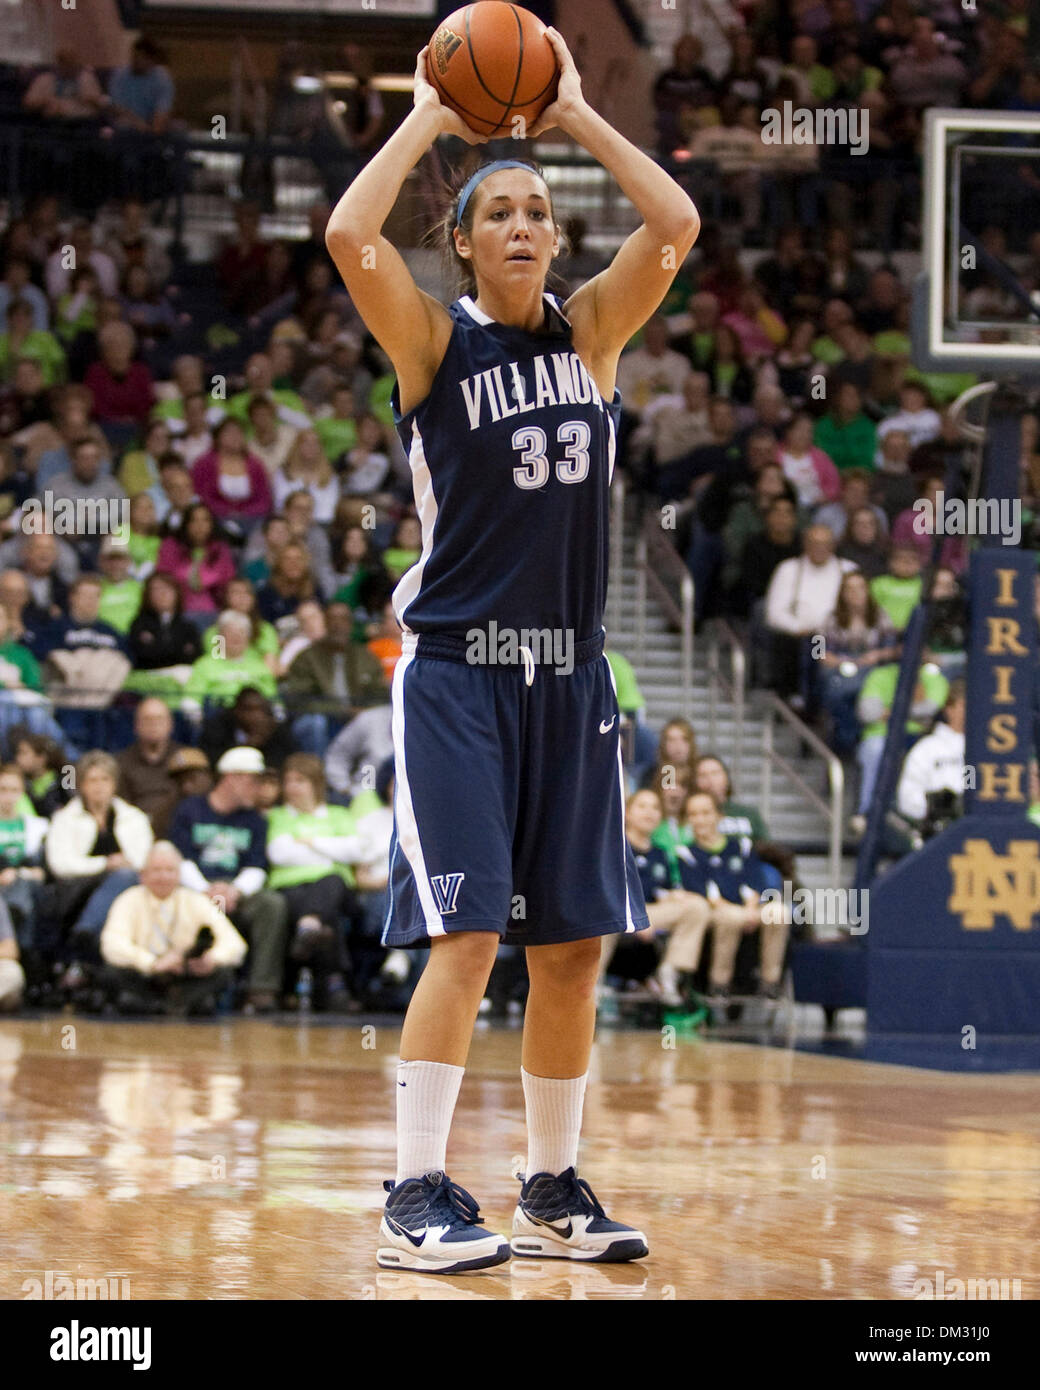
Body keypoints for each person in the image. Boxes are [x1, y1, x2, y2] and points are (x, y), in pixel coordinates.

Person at [325, 25, 700, 1269]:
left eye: (541, 211)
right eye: (502, 213)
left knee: (575, 944)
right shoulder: (436, 343)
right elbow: (346, 236)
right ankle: (414, 1188)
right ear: (469, 244)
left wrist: (576, 115)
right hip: (458, 677)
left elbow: (677, 222)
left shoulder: (590, 335)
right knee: (468, 934)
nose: (528, 225)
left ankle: (548, 1186)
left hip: (570, 674)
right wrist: (436, 116)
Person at [167, 746, 288, 1012]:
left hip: (235, 894)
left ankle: (261, 990)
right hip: (192, 891)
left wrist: (233, 891)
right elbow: (180, 858)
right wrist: (206, 889)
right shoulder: (191, 809)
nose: (259, 790)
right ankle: (174, 981)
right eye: (254, 781)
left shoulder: (256, 820)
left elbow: (257, 866)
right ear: (233, 778)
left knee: (272, 904)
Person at [99, 841, 247, 1016]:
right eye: (157, 870)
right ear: (143, 875)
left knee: (223, 973)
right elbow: (112, 945)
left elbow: (235, 944)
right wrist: (152, 963)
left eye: (170, 870)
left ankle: (174, 1005)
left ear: (179, 875)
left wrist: (211, 959)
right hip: (145, 974)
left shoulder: (196, 900)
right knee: (110, 973)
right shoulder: (128, 899)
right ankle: (155, 1005)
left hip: (185, 973)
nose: (163, 877)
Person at [266, 753, 361, 1010]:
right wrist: (328, 851)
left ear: (316, 784)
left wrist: (309, 843)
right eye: (288, 781)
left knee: (330, 882)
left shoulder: (338, 814)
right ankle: (333, 985)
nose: (291, 787)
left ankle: (307, 931)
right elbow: (279, 854)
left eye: (300, 780)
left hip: (335, 890)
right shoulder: (279, 816)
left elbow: (354, 850)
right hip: (290, 889)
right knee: (325, 922)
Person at [675, 790, 789, 1003]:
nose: (700, 819)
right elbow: (705, 893)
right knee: (731, 917)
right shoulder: (686, 854)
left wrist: (751, 909)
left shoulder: (741, 846)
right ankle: (719, 983)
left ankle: (770, 982)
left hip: (749, 908)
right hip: (717, 911)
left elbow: (755, 880)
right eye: (693, 814)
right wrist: (740, 912)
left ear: (719, 816)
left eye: (706, 813)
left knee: (778, 912)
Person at [44, 751, 153, 965]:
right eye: (92, 780)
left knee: (125, 879)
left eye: (105, 779)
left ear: (114, 784)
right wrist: (105, 863)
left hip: (126, 889)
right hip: (76, 889)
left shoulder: (134, 818)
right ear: (82, 785)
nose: (99, 786)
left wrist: (121, 867)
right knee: (122, 876)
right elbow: (60, 864)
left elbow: (145, 860)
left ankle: (85, 936)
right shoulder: (65, 818)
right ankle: (86, 932)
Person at [895, 679, 966, 828]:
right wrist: (934, 808)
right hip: (935, 829)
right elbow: (907, 797)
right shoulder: (927, 749)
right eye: (964, 706)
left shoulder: (980, 752)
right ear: (949, 709)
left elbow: (970, 783)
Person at [116, 698, 185, 836]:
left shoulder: (188, 760)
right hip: (134, 832)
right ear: (136, 726)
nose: (154, 724)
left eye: (159, 719)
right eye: (147, 719)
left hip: (178, 831)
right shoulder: (120, 762)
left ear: (170, 725)